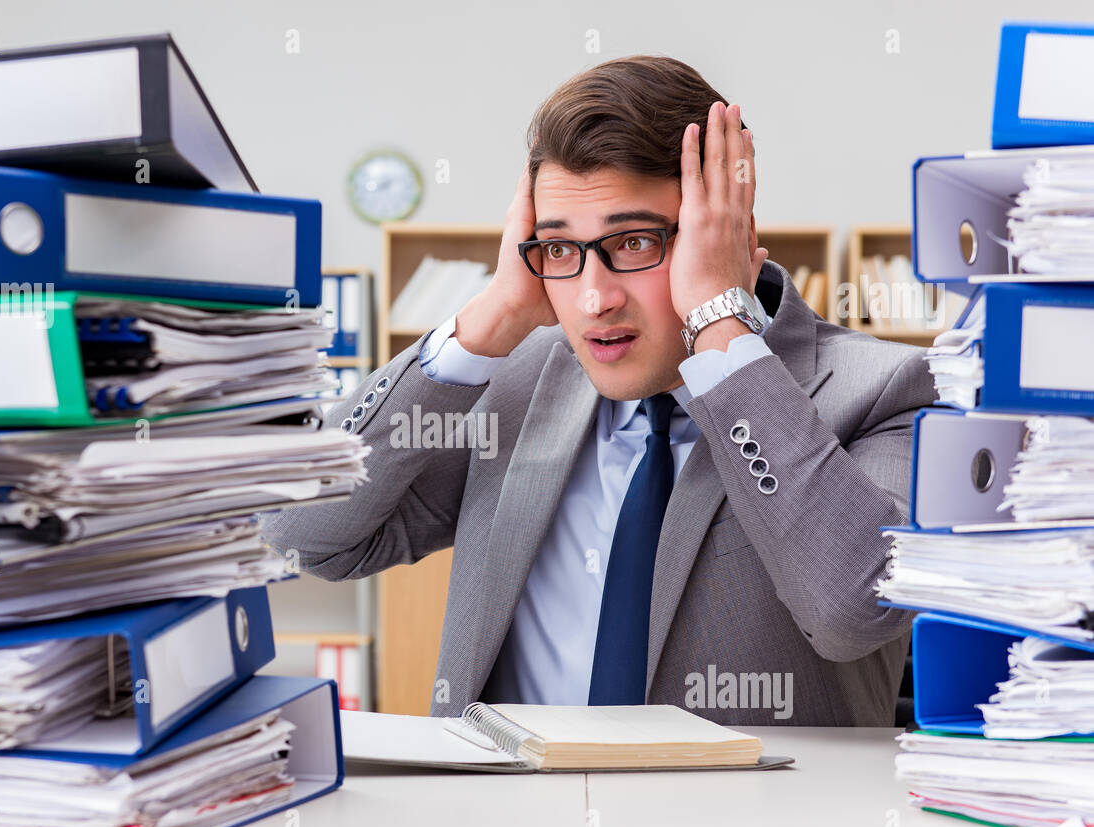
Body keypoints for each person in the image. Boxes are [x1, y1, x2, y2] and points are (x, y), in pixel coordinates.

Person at [262, 55, 937, 724]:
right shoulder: (518, 383)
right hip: (512, 826)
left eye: (636, 241)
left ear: (730, 231)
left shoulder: (884, 391)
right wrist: (491, 317)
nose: (592, 298)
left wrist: (718, 328)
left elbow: (854, 611)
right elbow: (300, 533)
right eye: (560, 249)